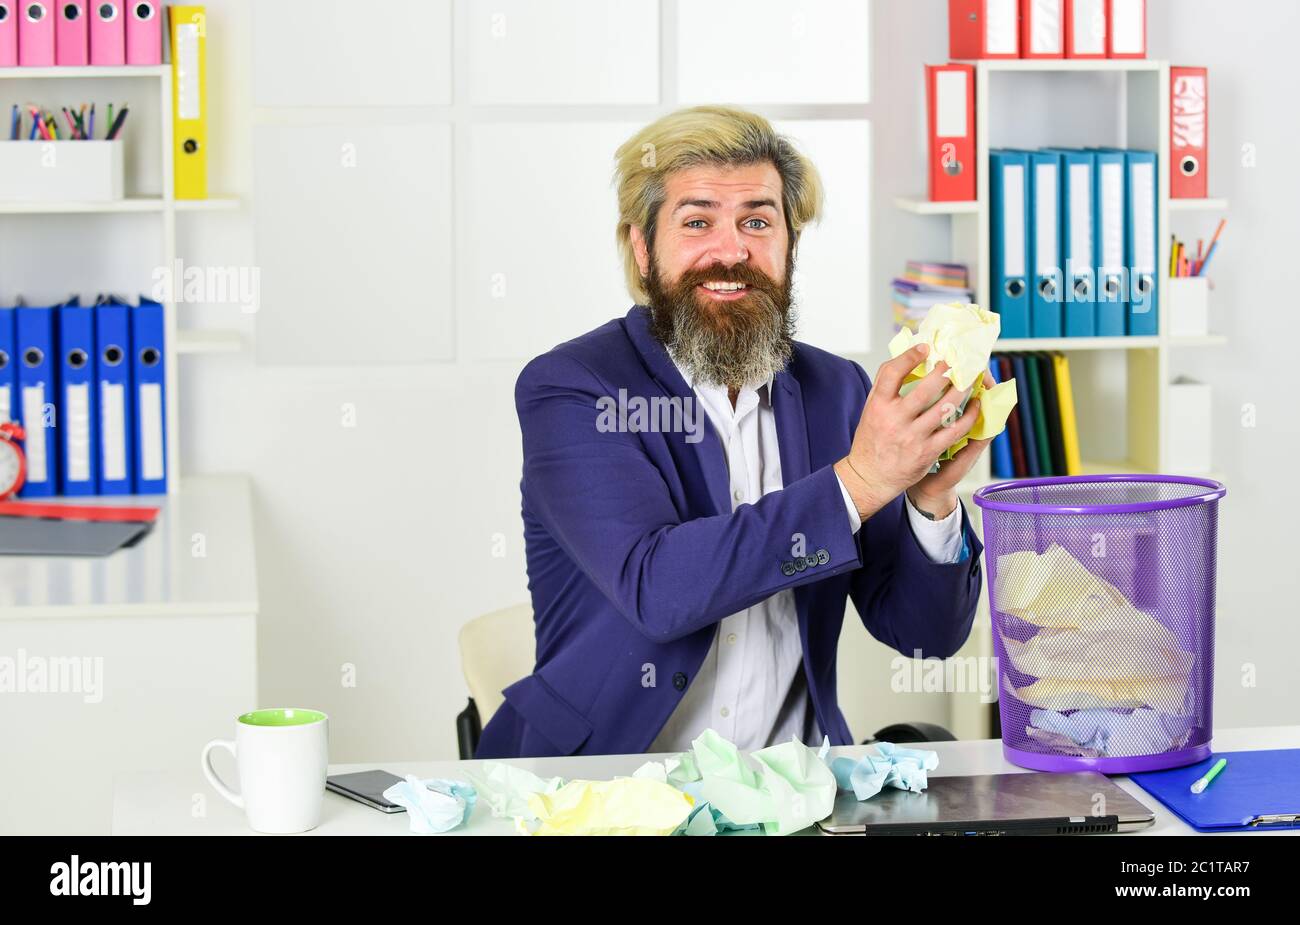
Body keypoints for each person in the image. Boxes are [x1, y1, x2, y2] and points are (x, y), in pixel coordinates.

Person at [476, 106, 992, 759]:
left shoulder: (839, 392)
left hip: (795, 790)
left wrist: (930, 501)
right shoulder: (574, 389)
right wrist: (860, 481)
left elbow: (925, 638)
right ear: (642, 247)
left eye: (757, 220)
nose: (732, 250)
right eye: (697, 222)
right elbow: (658, 587)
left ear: (790, 244)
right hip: (607, 791)